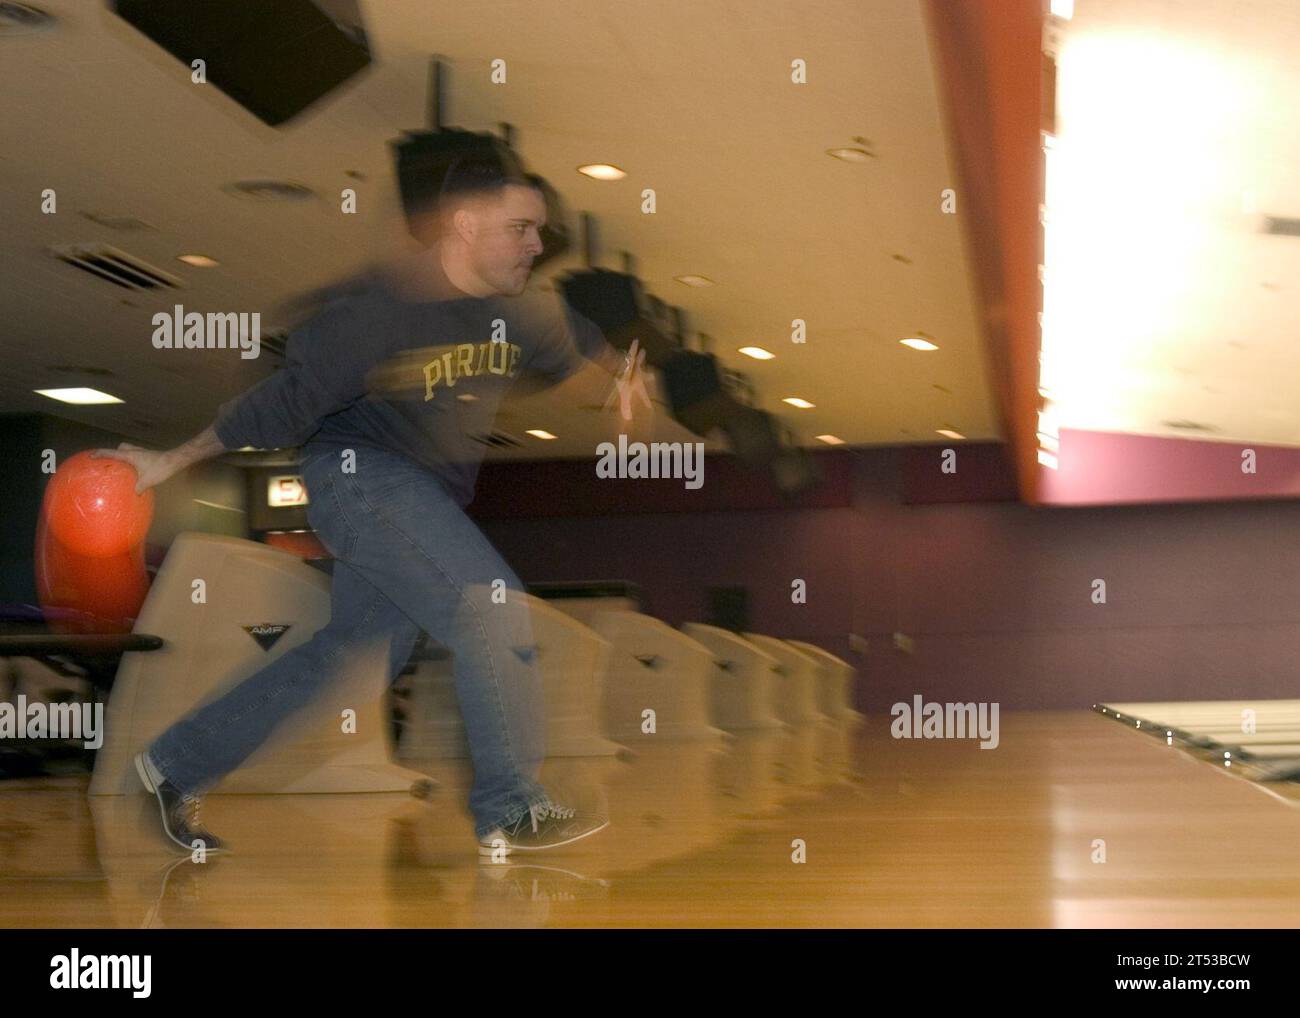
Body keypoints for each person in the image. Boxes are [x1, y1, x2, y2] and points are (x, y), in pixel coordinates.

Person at [98, 139, 650, 856]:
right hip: (357, 479)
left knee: (354, 654)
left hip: (414, 500)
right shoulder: (380, 313)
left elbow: (576, 338)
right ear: (464, 225)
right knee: (489, 606)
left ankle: (173, 765)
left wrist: (616, 375)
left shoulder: (520, 316)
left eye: (539, 230)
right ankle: (511, 809)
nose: (537, 245)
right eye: (521, 229)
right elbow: (283, 402)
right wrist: (167, 461)